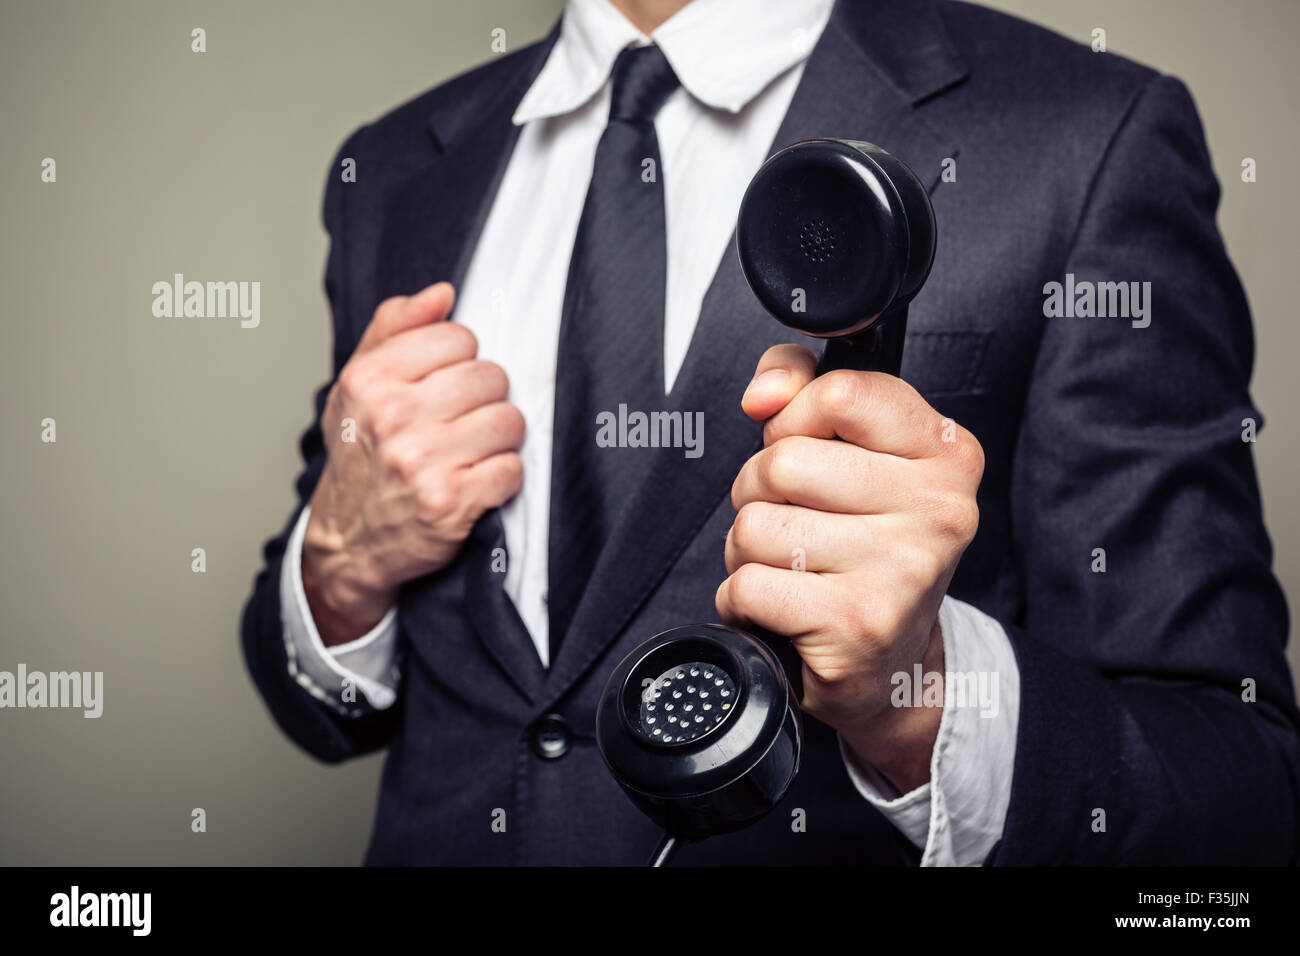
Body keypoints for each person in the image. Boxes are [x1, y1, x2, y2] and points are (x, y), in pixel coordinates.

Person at [241, 0, 1299, 865]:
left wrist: (918, 693)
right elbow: (319, 700)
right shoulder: (392, 169)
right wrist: (338, 560)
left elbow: (1239, 782)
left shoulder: (1084, 133)